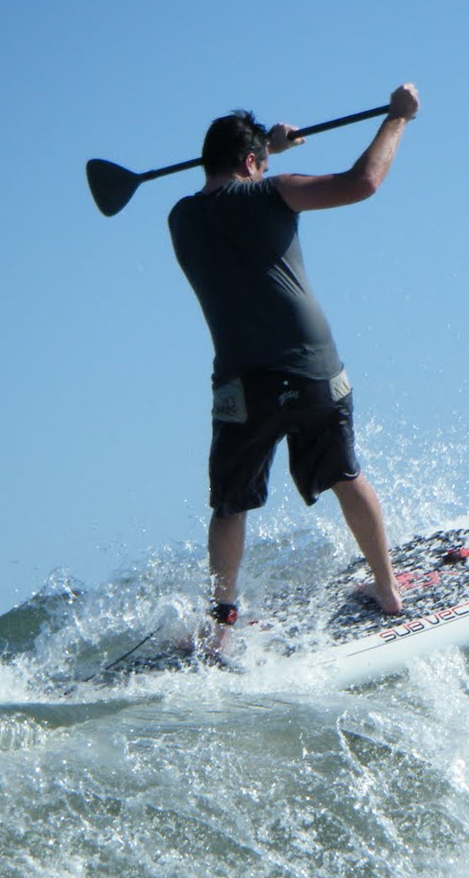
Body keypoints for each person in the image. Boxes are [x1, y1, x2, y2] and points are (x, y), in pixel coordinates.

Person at [168, 83, 421, 658]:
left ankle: (220, 625)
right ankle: (387, 592)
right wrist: (397, 119)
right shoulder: (272, 194)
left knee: (229, 505)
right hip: (311, 369)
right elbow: (363, 183)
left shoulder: (180, 217)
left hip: (240, 385)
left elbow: (231, 190)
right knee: (344, 475)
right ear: (254, 164)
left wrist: (269, 152)